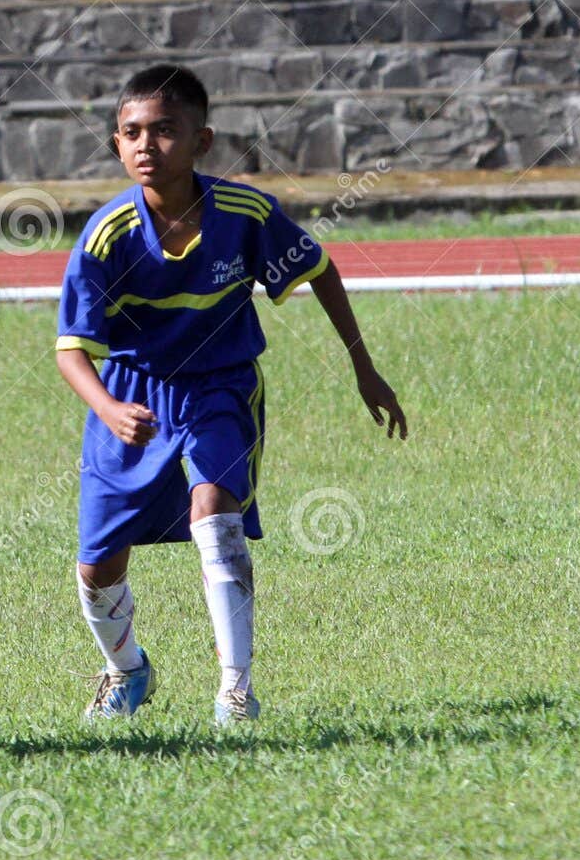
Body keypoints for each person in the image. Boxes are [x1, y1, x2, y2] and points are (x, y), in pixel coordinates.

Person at [56, 65, 408, 725]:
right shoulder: (107, 236)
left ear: (201, 140)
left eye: (165, 130)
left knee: (214, 512)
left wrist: (364, 365)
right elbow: (71, 348)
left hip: (221, 387)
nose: (146, 145)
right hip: (131, 397)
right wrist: (106, 406)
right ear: (115, 143)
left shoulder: (244, 215)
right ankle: (128, 669)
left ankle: (234, 690)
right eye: (131, 132)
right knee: (97, 567)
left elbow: (319, 269)